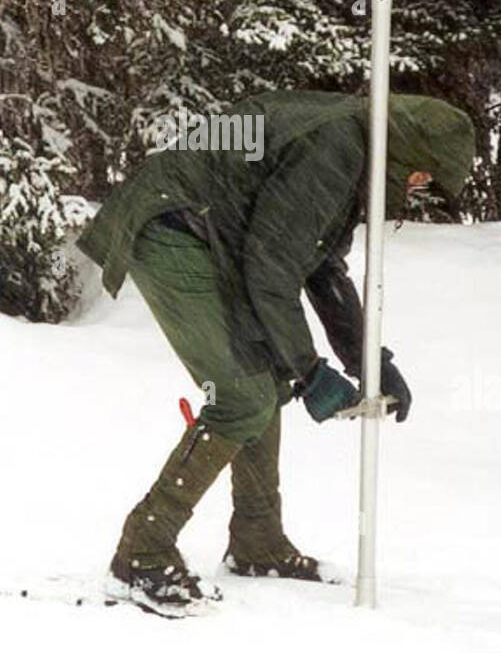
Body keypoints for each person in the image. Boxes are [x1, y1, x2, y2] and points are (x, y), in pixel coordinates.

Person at [77, 90, 476, 615]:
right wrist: (311, 372)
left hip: (209, 234)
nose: (421, 188)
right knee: (241, 396)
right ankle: (142, 556)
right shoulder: (336, 146)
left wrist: (369, 363)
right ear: (406, 151)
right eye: (424, 175)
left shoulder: (352, 146)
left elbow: (319, 265)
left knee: (265, 381)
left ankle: (258, 543)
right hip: (173, 227)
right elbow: (271, 270)